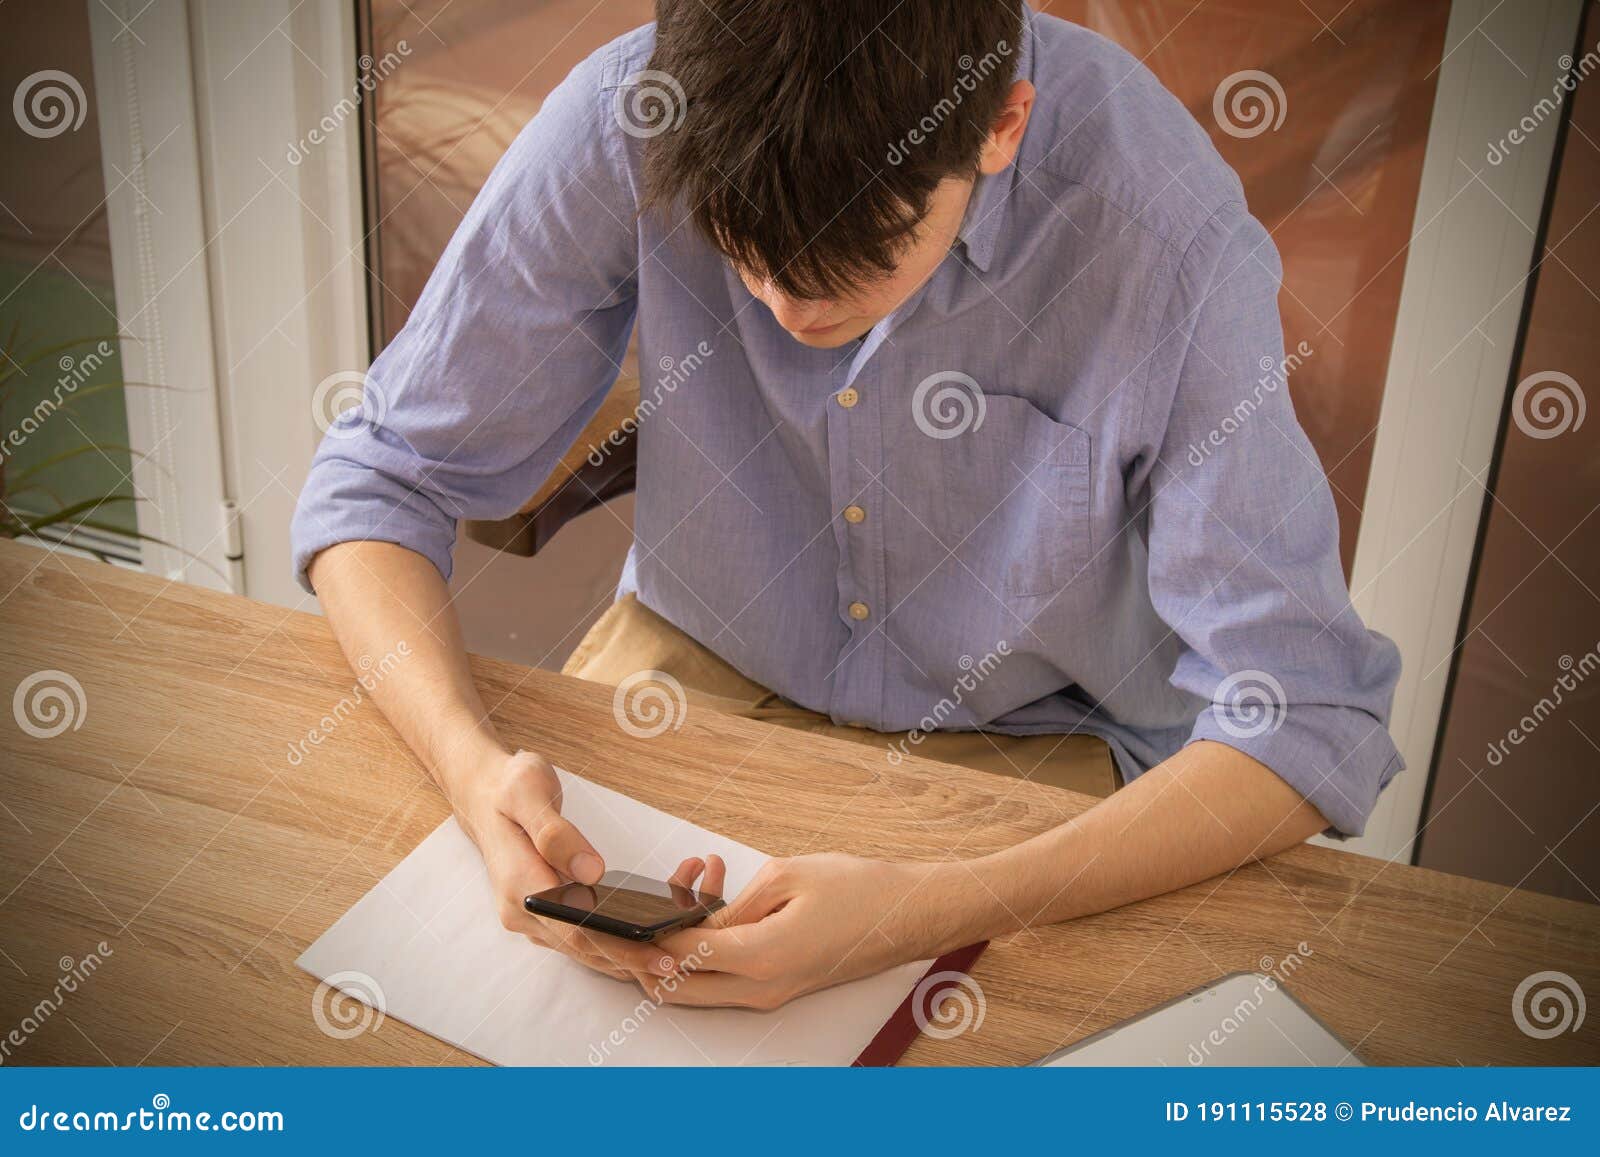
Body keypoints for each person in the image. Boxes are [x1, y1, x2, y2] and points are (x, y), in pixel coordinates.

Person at [292, 1, 1402, 1011]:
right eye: (745, 258)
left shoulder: (1164, 235)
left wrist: (923, 909)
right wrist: (471, 770)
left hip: (1038, 746)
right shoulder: (636, 108)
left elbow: (1302, 716)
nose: (782, 306)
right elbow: (381, 475)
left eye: (841, 269)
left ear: (1001, 129)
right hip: (700, 671)